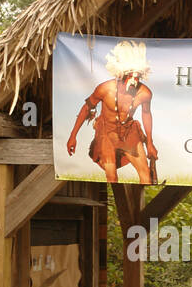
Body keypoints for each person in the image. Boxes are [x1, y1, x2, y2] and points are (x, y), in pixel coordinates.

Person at [64, 40, 159, 184]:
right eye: (130, 76)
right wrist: (73, 136)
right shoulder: (105, 89)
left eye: (137, 77)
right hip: (107, 133)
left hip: (129, 132)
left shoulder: (144, 93)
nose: (134, 81)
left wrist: (150, 143)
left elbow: (146, 114)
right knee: (112, 177)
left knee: (146, 176)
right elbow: (86, 108)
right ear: (121, 75)